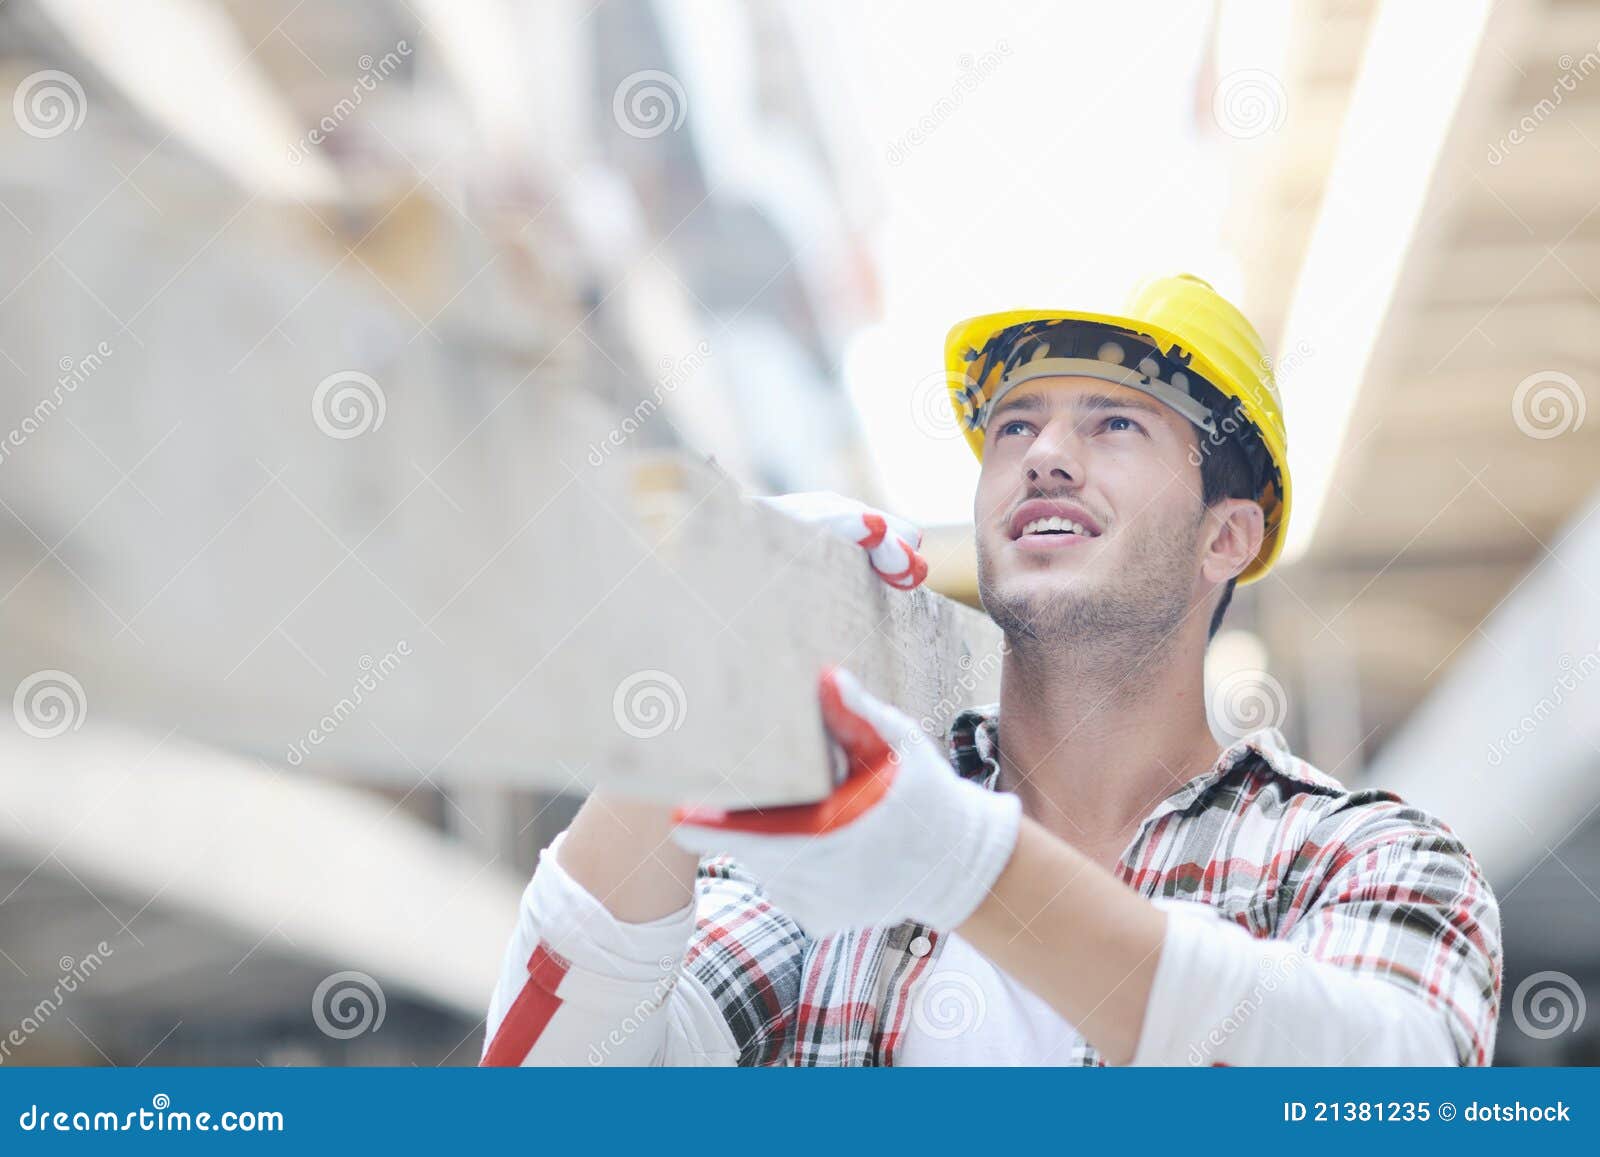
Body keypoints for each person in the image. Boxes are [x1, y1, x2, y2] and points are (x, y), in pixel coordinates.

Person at [482, 274, 1501, 1066]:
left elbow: (1386, 1086)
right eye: (1016, 423)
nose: (1044, 454)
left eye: (1115, 423)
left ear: (1224, 537)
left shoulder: (1360, 859)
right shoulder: (830, 878)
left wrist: (959, 863)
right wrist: (709, 667)